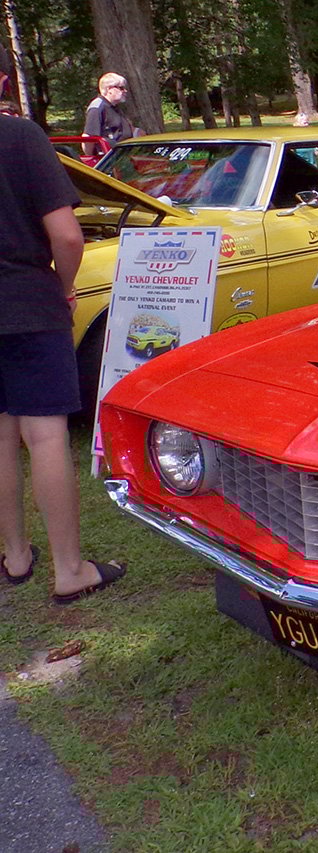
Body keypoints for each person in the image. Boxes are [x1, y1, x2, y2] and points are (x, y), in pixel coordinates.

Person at [0, 115, 127, 604]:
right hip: (27, 301)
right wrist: (65, 285)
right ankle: (70, 570)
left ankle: (14, 556)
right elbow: (69, 235)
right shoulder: (20, 136)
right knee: (46, 433)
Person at [82, 72, 135, 157]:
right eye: (121, 88)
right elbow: (88, 137)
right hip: (108, 159)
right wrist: (94, 160)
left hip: (121, 156)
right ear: (109, 89)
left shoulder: (114, 107)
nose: (125, 91)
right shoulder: (97, 107)